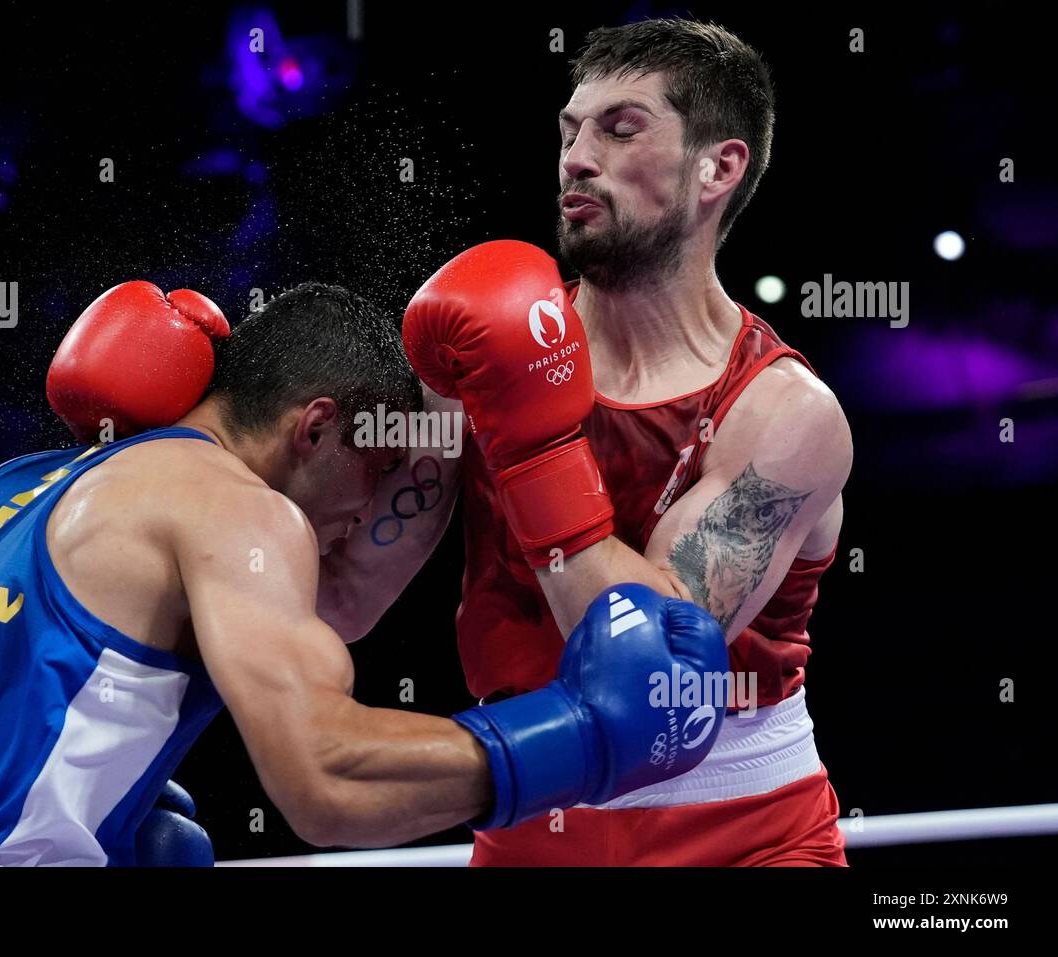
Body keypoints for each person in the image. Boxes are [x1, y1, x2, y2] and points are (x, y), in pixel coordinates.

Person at [0, 280, 728, 866]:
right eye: (373, 469)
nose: (359, 518)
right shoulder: (238, 505)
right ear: (314, 426)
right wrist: (584, 735)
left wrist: (13, 823)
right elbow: (323, 777)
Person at [335, 19, 854, 866]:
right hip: (528, 818)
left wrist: (529, 435)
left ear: (718, 168)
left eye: (621, 129)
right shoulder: (481, 353)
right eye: (570, 131)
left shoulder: (787, 414)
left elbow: (641, 673)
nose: (577, 158)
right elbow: (349, 597)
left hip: (745, 832)